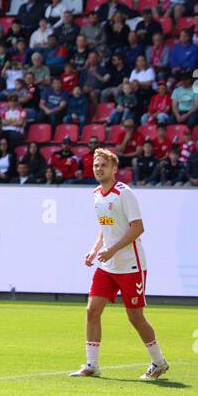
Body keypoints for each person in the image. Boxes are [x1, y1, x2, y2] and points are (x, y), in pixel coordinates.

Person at [71, 148, 170, 380]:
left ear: (114, 169)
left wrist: (112, 250)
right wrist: (94, 250)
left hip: (130, 265)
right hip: (107, 265)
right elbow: (105, 229)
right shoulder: (96, 194)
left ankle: (159, 362)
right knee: (92, 311)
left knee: (135, 317)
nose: (98, 169)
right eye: (96, 165)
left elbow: (138, 228)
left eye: (103, 165)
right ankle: (92, 364)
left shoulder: (124, 194)